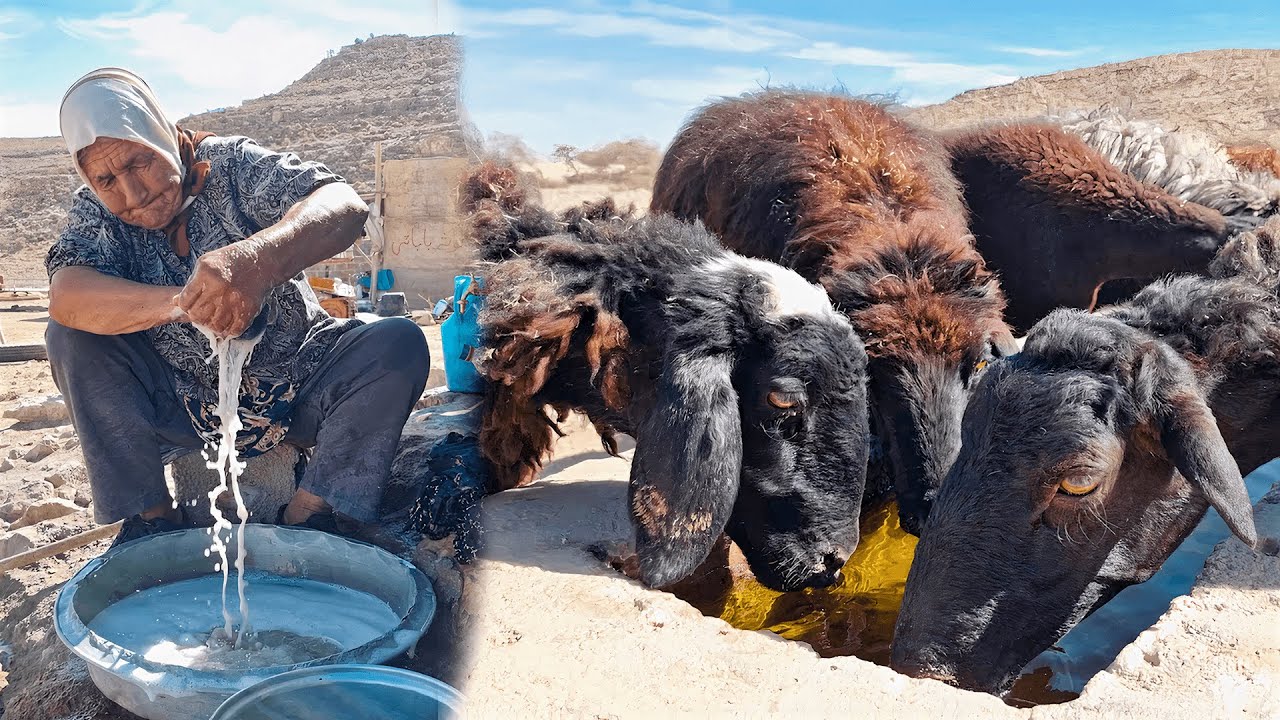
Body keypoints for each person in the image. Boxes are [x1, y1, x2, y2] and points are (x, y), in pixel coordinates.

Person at [46, 67, 429, 547]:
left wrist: (258, 261)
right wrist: (183, 304)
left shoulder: (231, 166)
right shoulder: (95, 211)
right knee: (71, 337)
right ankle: (152, 519)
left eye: (140, 162)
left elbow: (343, 204)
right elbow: (67, 294)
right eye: (106, 179)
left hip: (299, 388)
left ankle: (312, 512)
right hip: (181, 406)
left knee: (397, 342)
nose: (133, 194)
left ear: (160, 133)